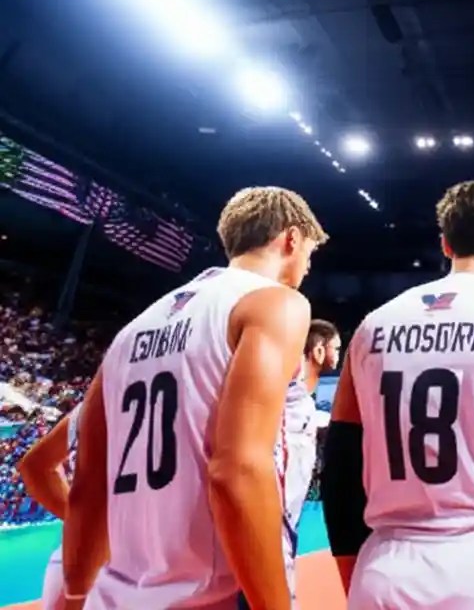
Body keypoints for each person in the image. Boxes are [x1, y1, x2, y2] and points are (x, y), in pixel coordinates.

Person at [62, 186, 325, 610]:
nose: (308, 268)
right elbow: (236, 468)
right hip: (209, 591)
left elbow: (88, 487)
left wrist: (73, 596)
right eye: (309, 254)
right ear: (291, 239)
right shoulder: (275, 304)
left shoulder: (132, 330)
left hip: (114, 597)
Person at [321, 180, 474, 610]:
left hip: (384, 564)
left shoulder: (372, 325)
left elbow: (340, 464)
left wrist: (353, 571)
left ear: (445, 243)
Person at [283, 320, 341, 557]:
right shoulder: (288, 391)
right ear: (318, 351)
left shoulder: (304, 402)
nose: (338, 355)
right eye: (335, 349)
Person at [18, 403, 85, 610]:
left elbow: (35, 466)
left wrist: (82, 522)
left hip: (74, 558)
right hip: (145, 563)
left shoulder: (101, 396)